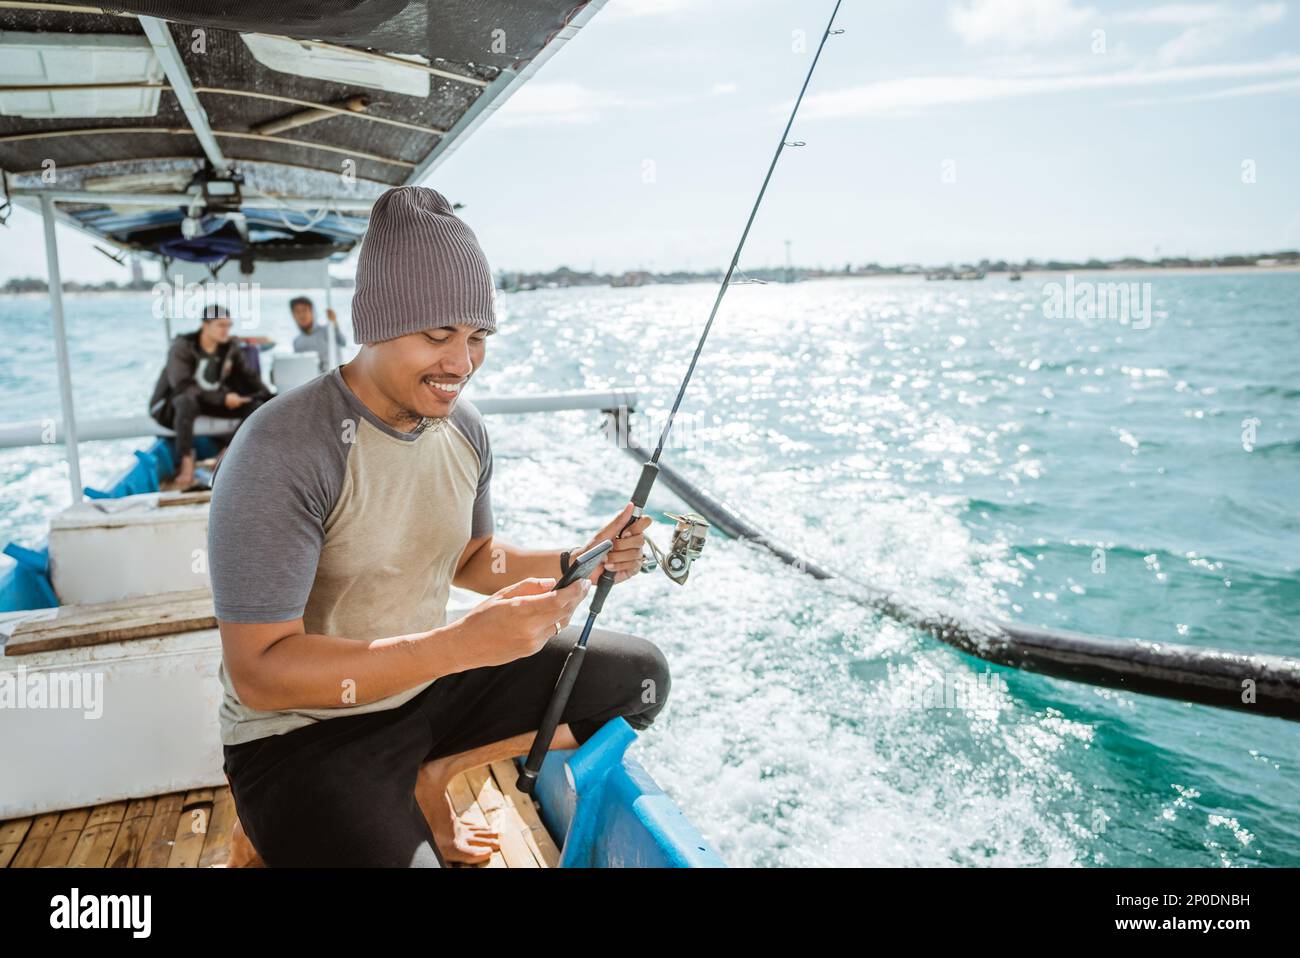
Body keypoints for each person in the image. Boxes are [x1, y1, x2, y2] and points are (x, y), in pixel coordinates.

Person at [208, 187, 667, 867]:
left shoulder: (464, 428)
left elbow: (473, 559)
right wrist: (458, 646)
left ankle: (428, 773)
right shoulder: (280, 448)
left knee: (641, 679)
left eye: (477, 337)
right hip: (299, 735)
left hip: (426, 694)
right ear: (376, 325)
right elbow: (261, 675)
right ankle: (273, 820)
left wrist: (578, 557)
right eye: (437, 335)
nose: (461, 363)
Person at [148, 304, 271, 491]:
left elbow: (250, 378)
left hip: (208, 402)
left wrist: (272, 399)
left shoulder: (230, 348)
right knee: (186, 400)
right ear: (205, 325)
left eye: (229, 325)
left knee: (256, 407)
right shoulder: (182, 347)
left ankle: (226, 454)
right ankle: (186, 462)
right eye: (221, 325)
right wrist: (222, 399)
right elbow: (182, 386)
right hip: (171, 406)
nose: (226, 330)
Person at [290, 295, 346, 371]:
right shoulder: (296, 342)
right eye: (297, 312)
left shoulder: (328, 330)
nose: (301, 315)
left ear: (312, 312)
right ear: (293, 315)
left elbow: (343, 342)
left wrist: (334, 322)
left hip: (333, 379)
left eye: (304, 310)